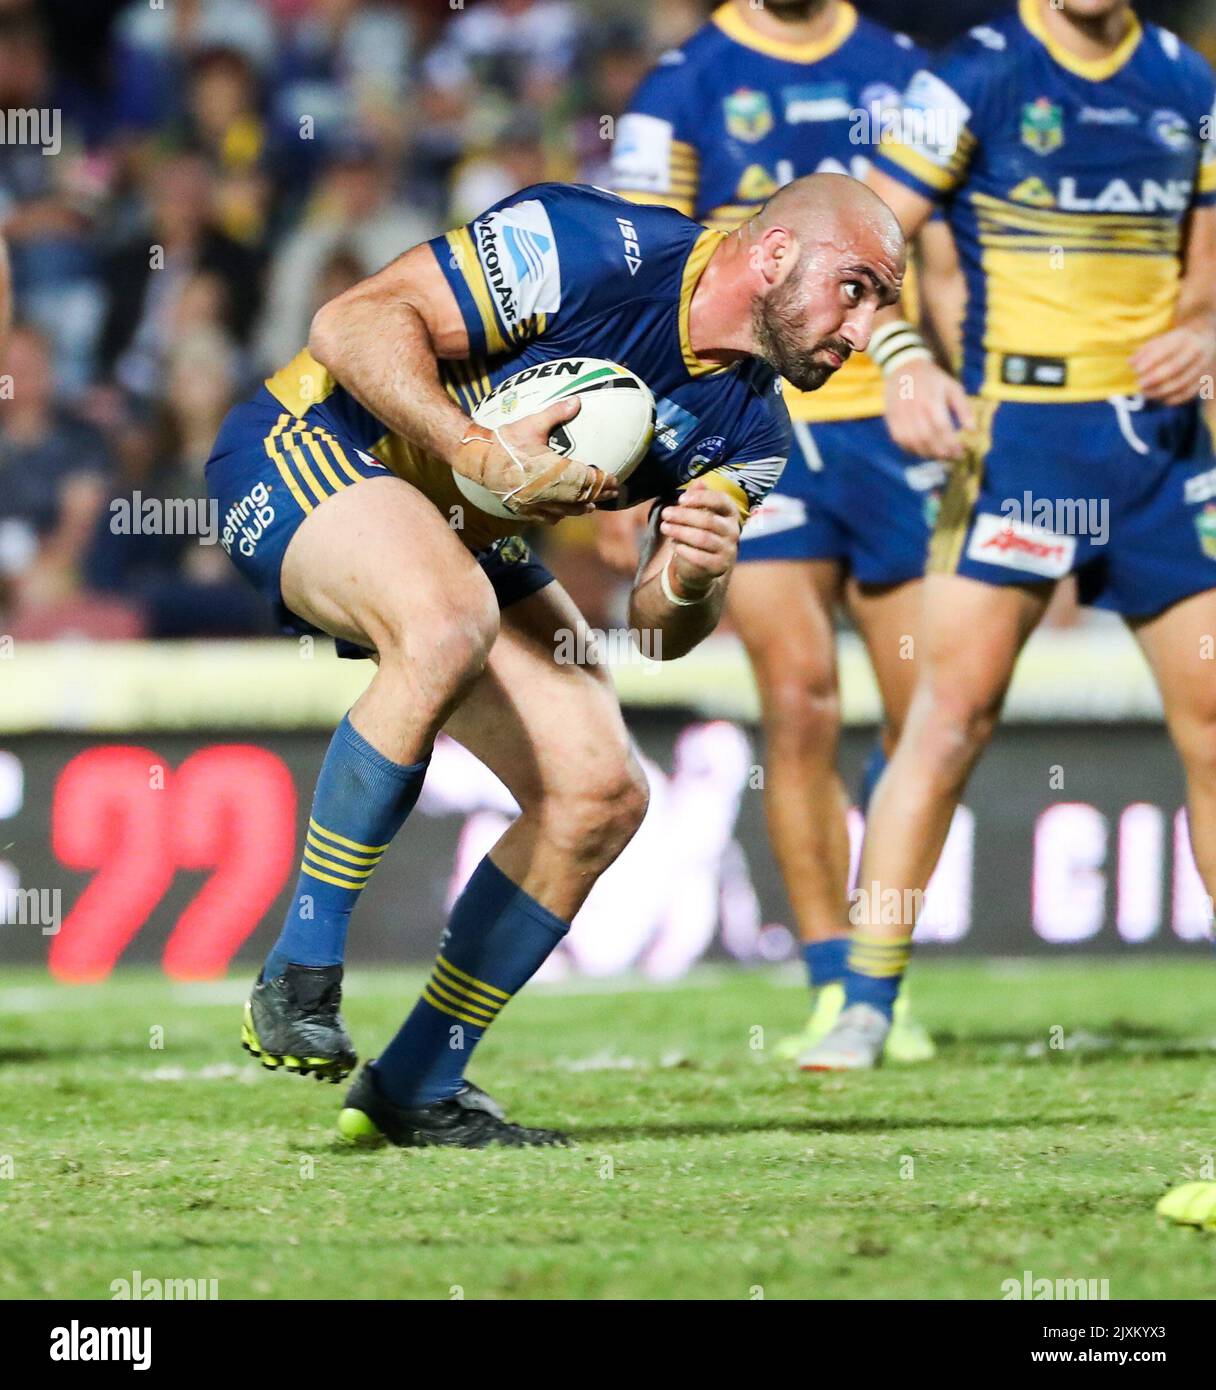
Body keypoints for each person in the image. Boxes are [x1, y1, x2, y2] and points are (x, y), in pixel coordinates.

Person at [206, 172, 905, 1146]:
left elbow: (657, 632)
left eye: (880, 306)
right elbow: (348, 323)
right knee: (447, 619)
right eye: (856, 289)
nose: (862, 331)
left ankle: (417, 1086)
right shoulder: (591, 245)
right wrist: (474, 450)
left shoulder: (752, 436)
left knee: (600, 793)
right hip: (314, 448)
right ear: (777, 253)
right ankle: (299, 972)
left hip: (454, 536)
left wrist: (695, 576)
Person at [800, 0, 1216, 1069]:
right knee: (948, 720)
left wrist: (1204, 333)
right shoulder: (973, 75)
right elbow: (853, 240)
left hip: (1161, 451)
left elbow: (1206, 274)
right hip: (1015, 448)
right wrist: (901, 359)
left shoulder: (1188, 82)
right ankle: (865, 1002)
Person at [605, 0, 962, 1064]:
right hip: (752, 420)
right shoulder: (684, 84)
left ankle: (881, 959)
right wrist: (634, 457)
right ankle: (834, 982)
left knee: (930, 714)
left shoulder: (906, 71)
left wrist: (949, 375)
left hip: (893, 427)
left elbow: (940, 255)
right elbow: (641, 276)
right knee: (800, 697)